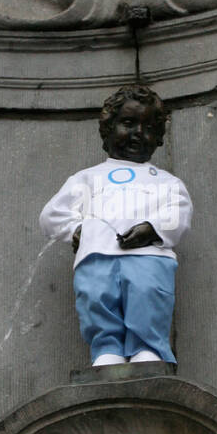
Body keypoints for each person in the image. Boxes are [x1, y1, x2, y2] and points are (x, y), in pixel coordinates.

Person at [39, 84, 192, 365]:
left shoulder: (166, 182)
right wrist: (76, 229)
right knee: (97, 299)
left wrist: (152, 228)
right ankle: (107, 348)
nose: (137, 133)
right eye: (128, 123)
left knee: (147, 296)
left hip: (148, 257)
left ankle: (148, 349)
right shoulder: (88, 178)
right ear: (108, 128)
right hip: (97, 257)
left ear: (158, 138)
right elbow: (52, 214)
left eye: (148, 127)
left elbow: (179, 214)